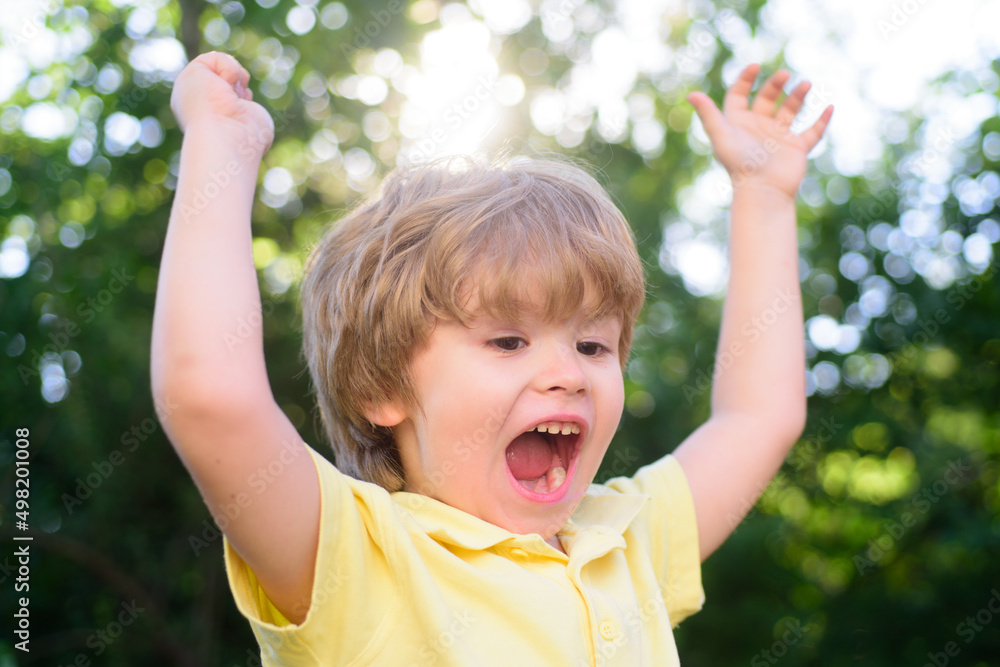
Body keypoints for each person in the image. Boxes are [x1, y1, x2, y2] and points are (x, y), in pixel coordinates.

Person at [152, 50, 832, 665]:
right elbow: (212, 398)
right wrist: (222, 151)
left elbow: (758, 416)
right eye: (509, 341)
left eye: (593, 344)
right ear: (381, 383)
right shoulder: (360, 559)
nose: (569, 372)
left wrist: (765, 197)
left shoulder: (625, 538)